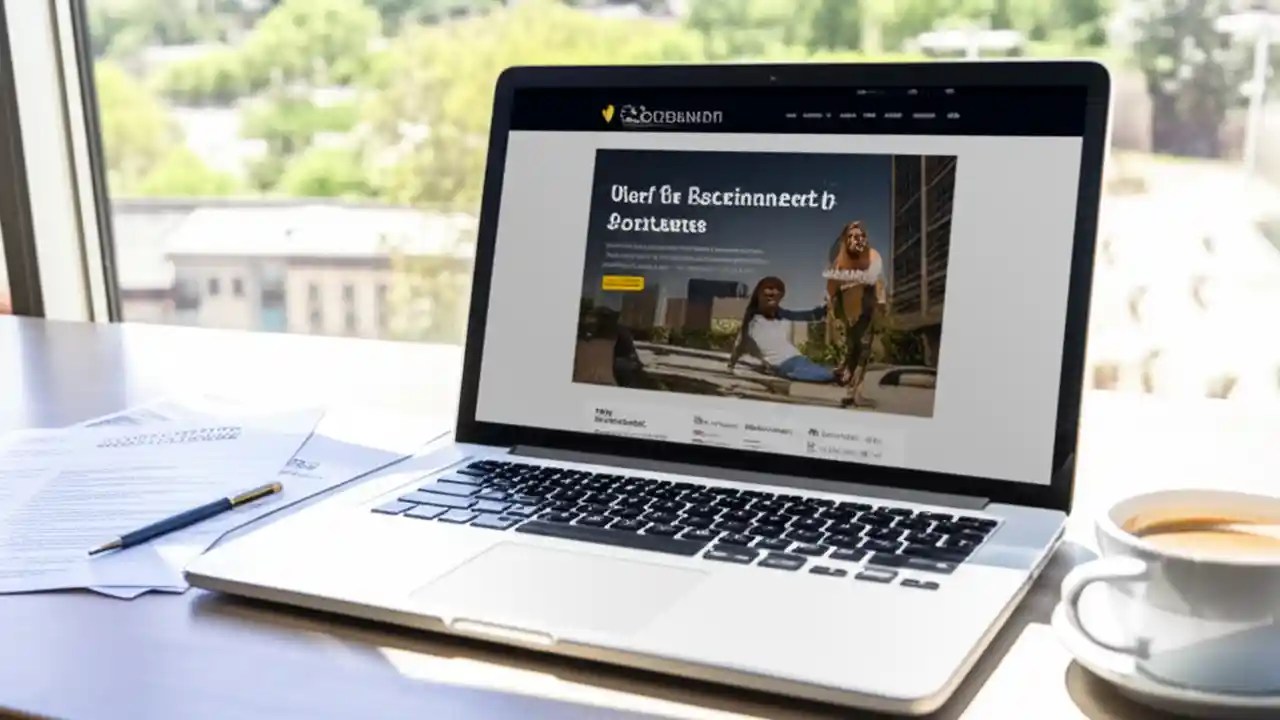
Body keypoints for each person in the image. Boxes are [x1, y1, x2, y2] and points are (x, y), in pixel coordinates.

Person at [823, 221, 888, 406]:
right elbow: (832, 288)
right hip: (847, 308)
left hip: (865, 304)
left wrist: (880, 302)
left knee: (863, 349)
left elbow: (875, 279)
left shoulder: (872, 255)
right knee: (853, 349)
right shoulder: (839, 262)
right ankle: (851, 390)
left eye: (858, 236)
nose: (855, 239)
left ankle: (855, 392)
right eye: (850, 236)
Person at [727, 276, 833, 382]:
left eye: (778, 290)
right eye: (769, 288)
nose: (773, 293)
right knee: (827, 375)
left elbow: (809, 315)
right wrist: (731, 364)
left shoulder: (782, 316)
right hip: (783, 365)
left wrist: (825, 308)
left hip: (799, 359)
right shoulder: (751, 321)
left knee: (829, 373)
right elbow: (739, 344)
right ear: (758, 293)